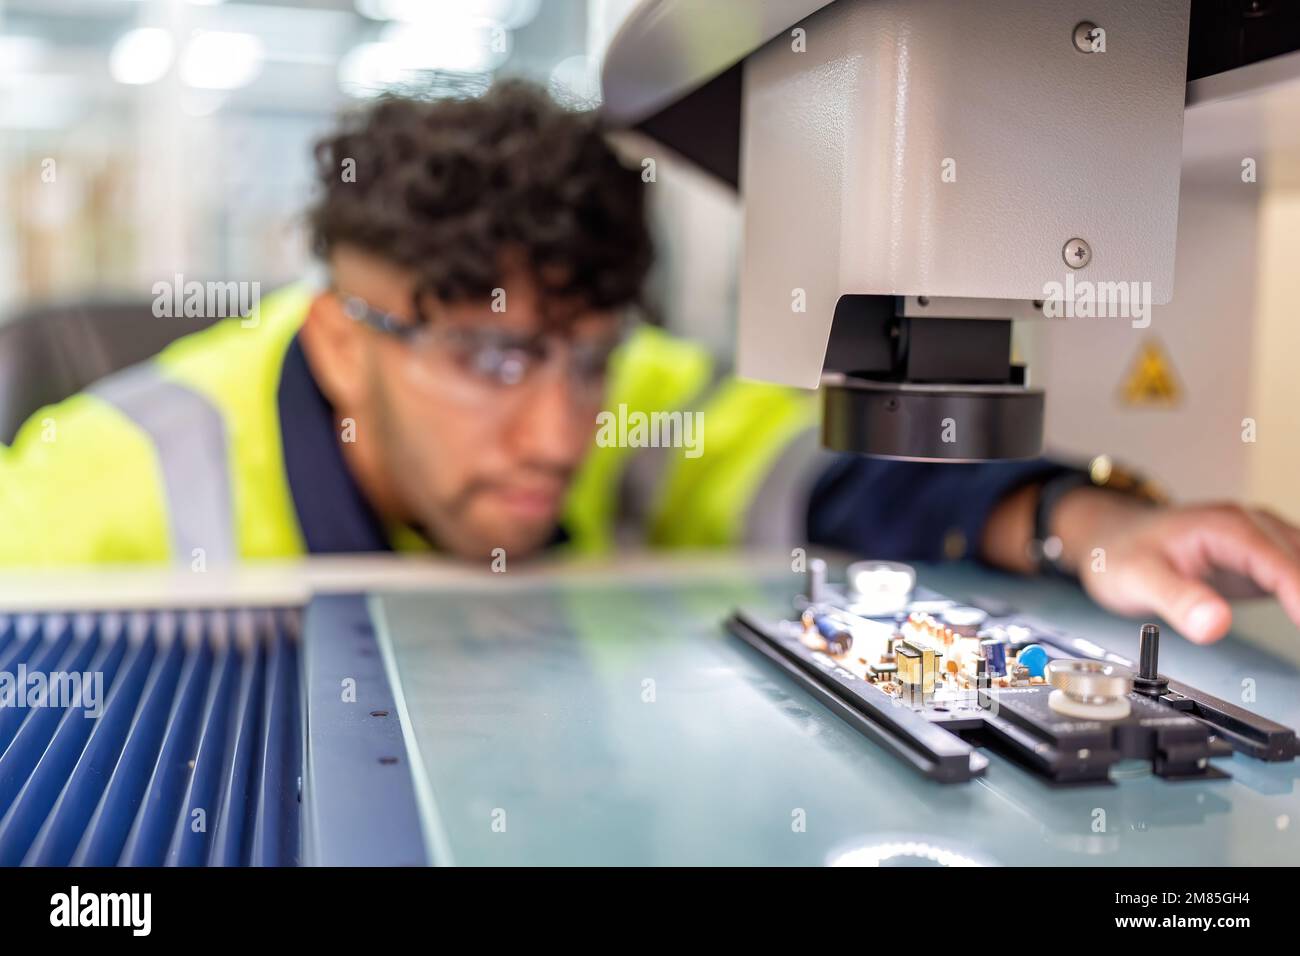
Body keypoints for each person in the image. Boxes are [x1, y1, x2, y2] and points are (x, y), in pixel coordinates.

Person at [2, 80, 1297, 647]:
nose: (564, 435)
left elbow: (855, 483)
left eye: (588, 356)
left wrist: (1087, 520)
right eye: (495, 358)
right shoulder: (87, 497)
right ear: (343, 339)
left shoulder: (644, 400)